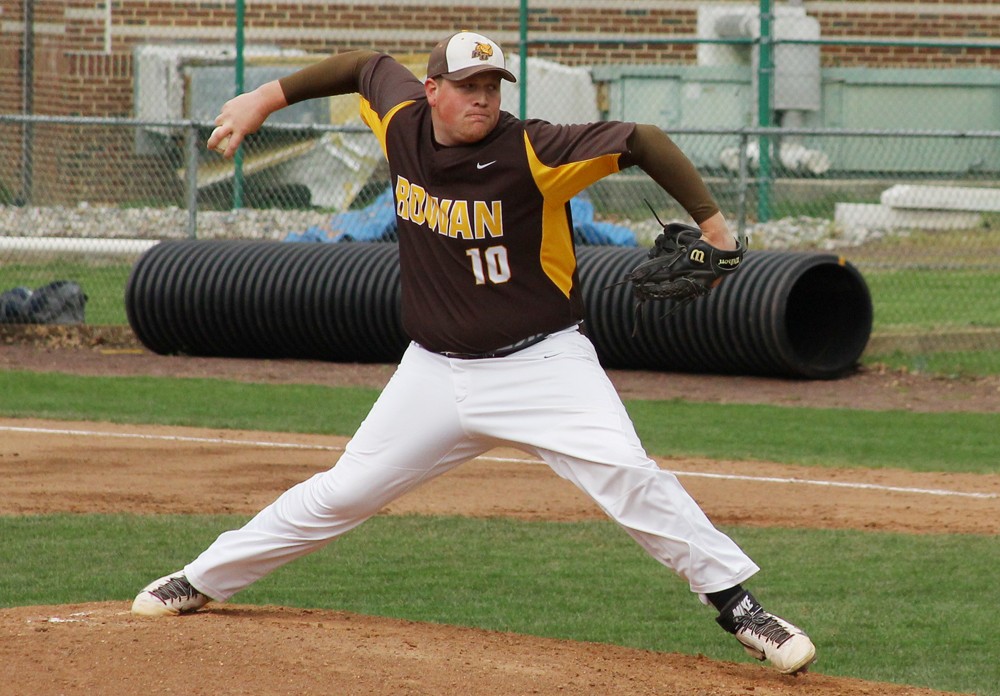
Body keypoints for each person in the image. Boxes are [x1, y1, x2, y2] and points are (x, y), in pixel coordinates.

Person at [132, 30, 816, 675]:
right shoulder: (400, 120)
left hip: (543, 366)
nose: (483, 97)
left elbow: (641, 138)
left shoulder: (533, 151)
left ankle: (741, 609)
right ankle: (200, 580)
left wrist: (716, 227)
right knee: (342, 492)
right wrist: (262, 99)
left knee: (629, 474)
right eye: (467, 84)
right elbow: (359, 65)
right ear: (432, 90)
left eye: (492, 84)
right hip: (433, 371)